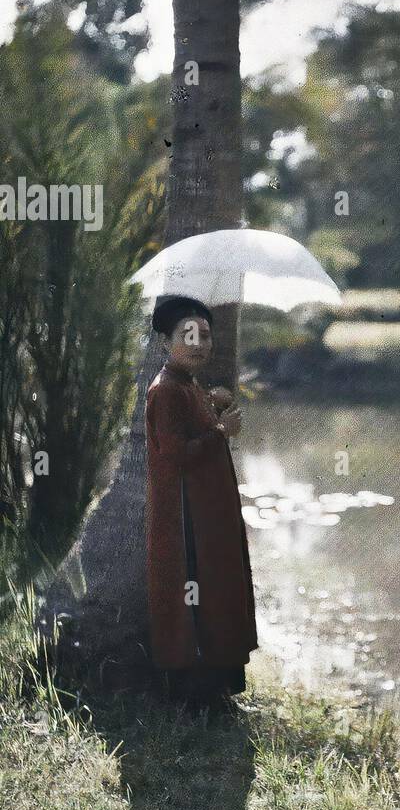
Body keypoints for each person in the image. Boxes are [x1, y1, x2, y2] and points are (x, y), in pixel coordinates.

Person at [145, 295, 258, 710]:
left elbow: (191, 425)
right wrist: (221, 431)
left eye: (205, 336)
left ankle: (219, 692)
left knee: (219, 589)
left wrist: (212, 406)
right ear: (165, 343)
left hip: (208, 513)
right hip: (186, 519)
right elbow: (174, 454)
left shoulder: (187, 385)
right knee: (197, 594)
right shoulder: (166, 390)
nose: (199, 344)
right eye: (188, 335)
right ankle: (197, 699)